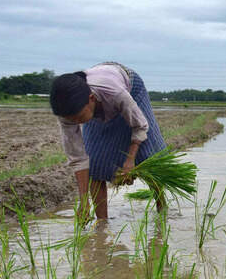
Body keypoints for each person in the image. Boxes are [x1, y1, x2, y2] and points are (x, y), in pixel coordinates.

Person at [50, 61, 167, 222]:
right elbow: (78, 158)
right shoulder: (68, 113)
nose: (76, 122)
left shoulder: (115, 92)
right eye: (72, 119)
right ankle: (102, 224)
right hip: (98, 104)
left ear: (91, 99)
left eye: (79, 117)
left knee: (148, 157)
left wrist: (130, 159)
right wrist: (84, 201)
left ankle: (162, 207)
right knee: (95, 164)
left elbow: (140, 126)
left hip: (130, 89)